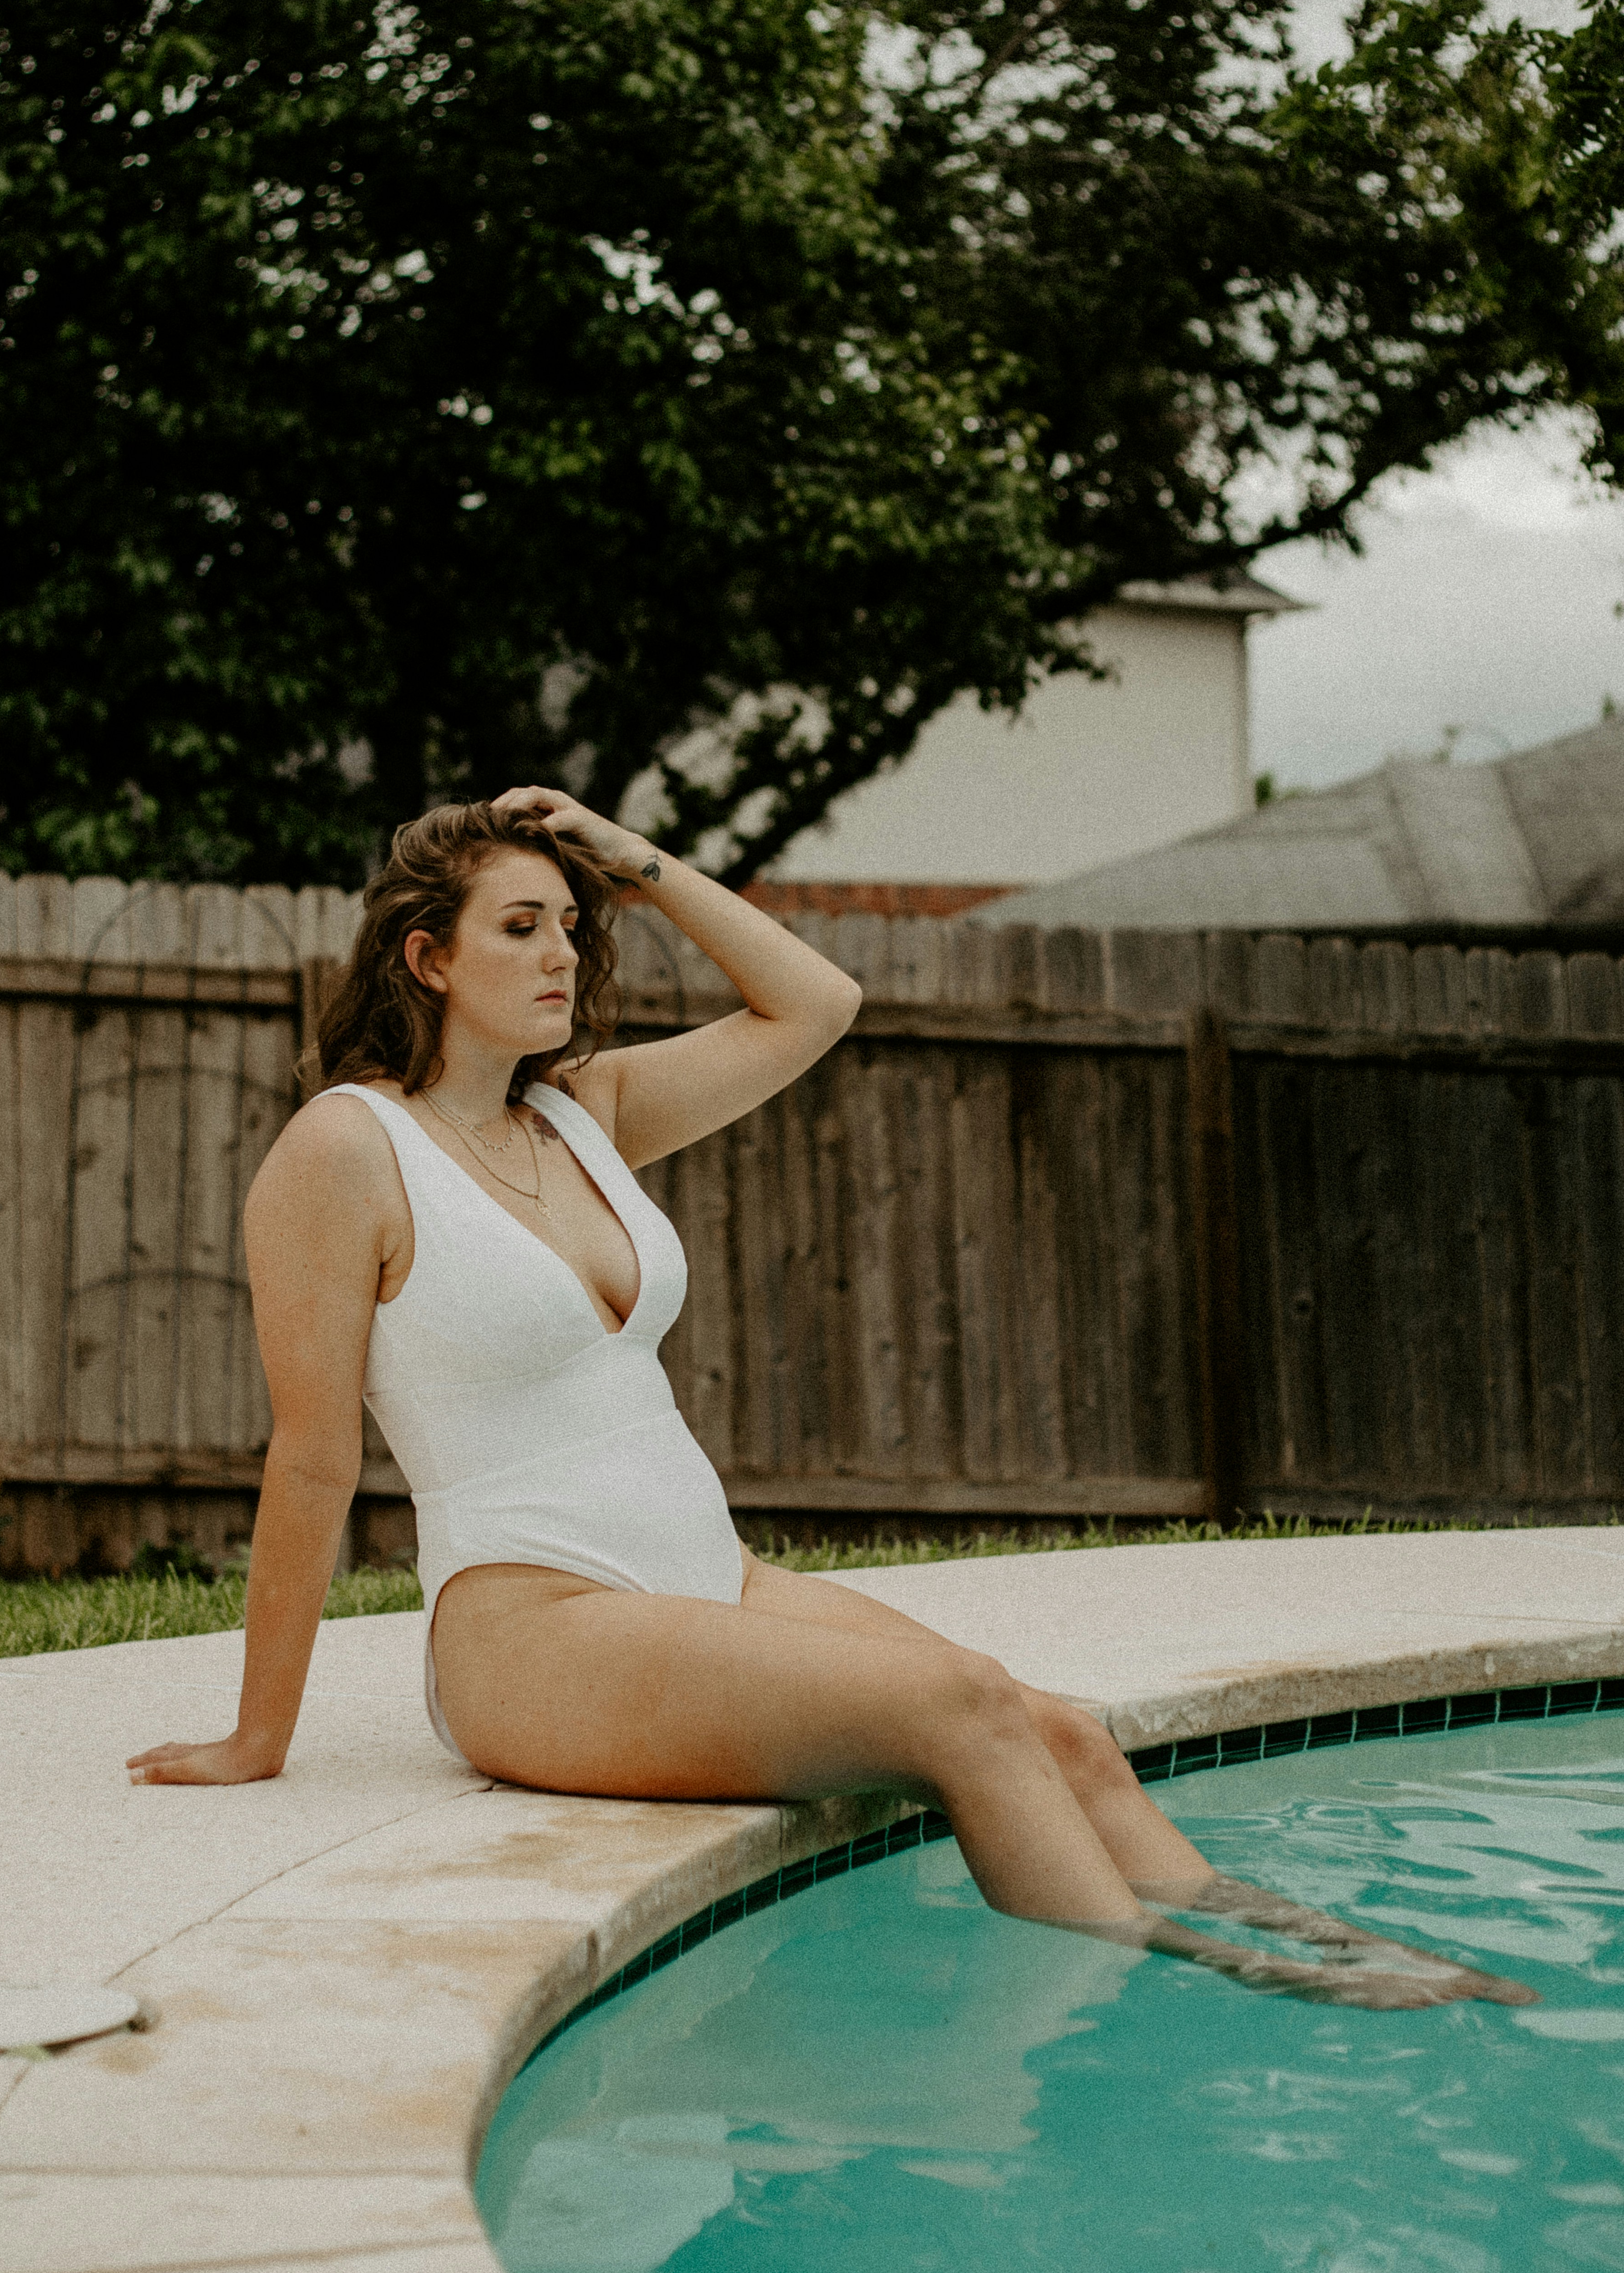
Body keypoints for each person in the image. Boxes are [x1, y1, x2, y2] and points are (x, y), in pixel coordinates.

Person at [129, 789, 1533, 2012]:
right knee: (961, 1707)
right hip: (531, 1626)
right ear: (426, 959)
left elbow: (818, 1004)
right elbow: (310, 1459)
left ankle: (1304, 1939)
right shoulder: (346, 1149)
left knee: (1057, 1727)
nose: (561, 950)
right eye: (518, 928)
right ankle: (1201, 1994)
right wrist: (262, 1737)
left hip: (707, 1580)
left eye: (569, 923)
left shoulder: (582, 1113)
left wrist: (639, 862)